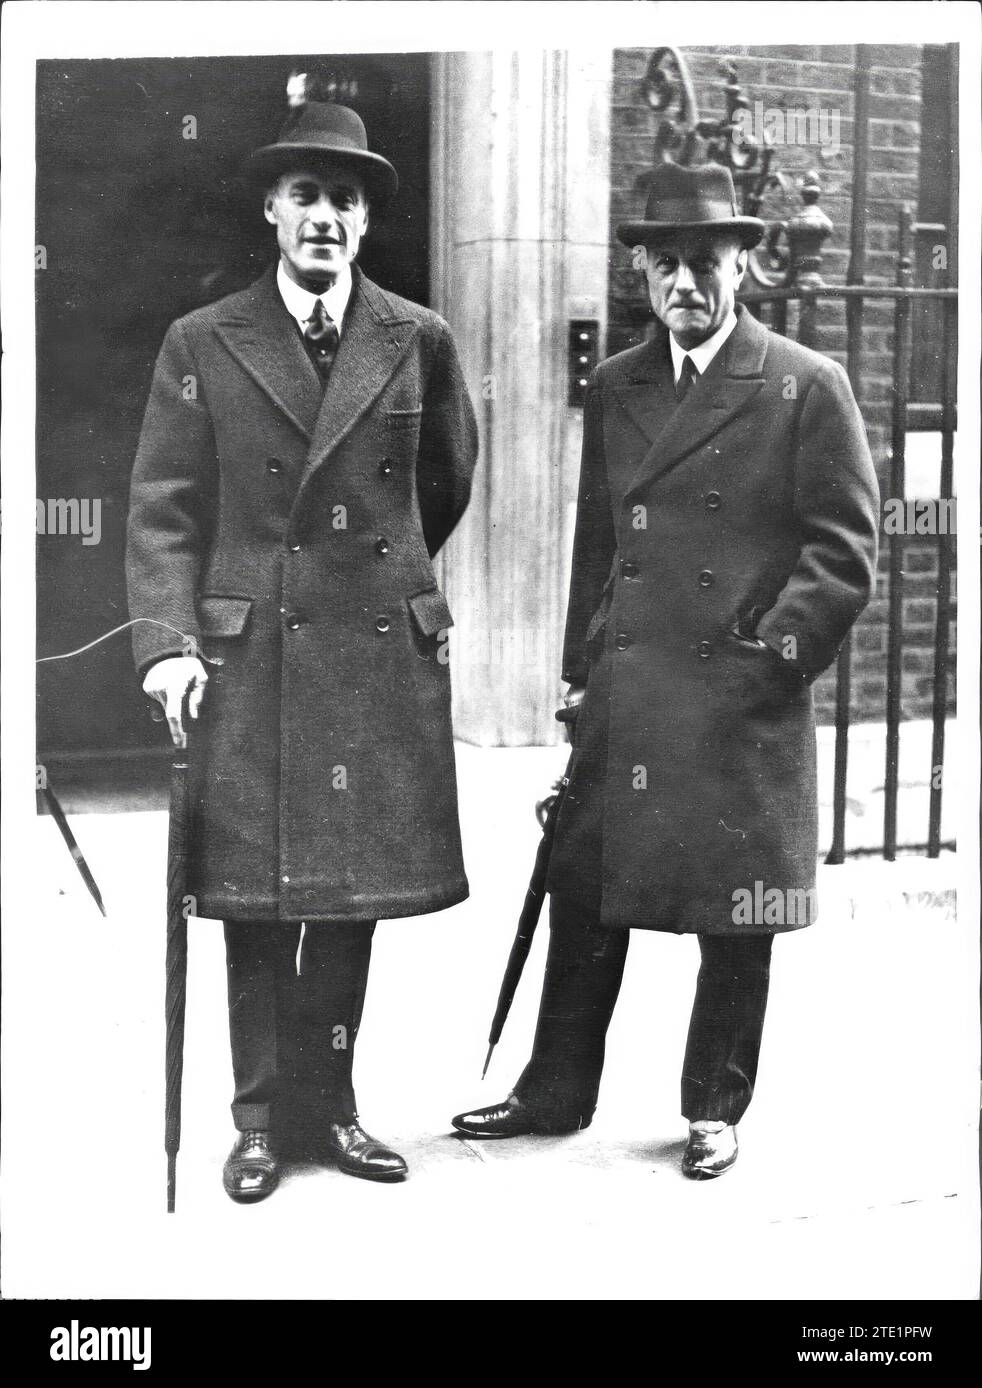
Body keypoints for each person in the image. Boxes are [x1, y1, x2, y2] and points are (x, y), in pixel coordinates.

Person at [452, 161, 879, 1178]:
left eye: (703, 262)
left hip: (737, 699)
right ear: (642, 273)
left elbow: (843, 551)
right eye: (664, 265)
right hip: (631, 694)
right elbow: (598, 544)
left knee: (736, 914)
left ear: (741, 264)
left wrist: (765, 663)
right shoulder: (618, 383)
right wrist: (575, 673)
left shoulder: (803, 384)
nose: (684, 283)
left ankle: (713, 1107)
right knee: (585, 892)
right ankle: (553, 1090)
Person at [127, 100, 477, 1202]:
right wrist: (169, 645)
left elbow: (443, 483)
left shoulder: (415, 338)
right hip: (251, 659)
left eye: (347, 198)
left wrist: (380, 577)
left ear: (366, 220)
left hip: (370, 654)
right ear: (274, 209)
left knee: (347, 893)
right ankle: (260, 1122)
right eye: (308, 195)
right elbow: (164, 507)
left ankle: (332, 1111)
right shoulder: (204, 340)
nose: (326, 217)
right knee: (248, 897)